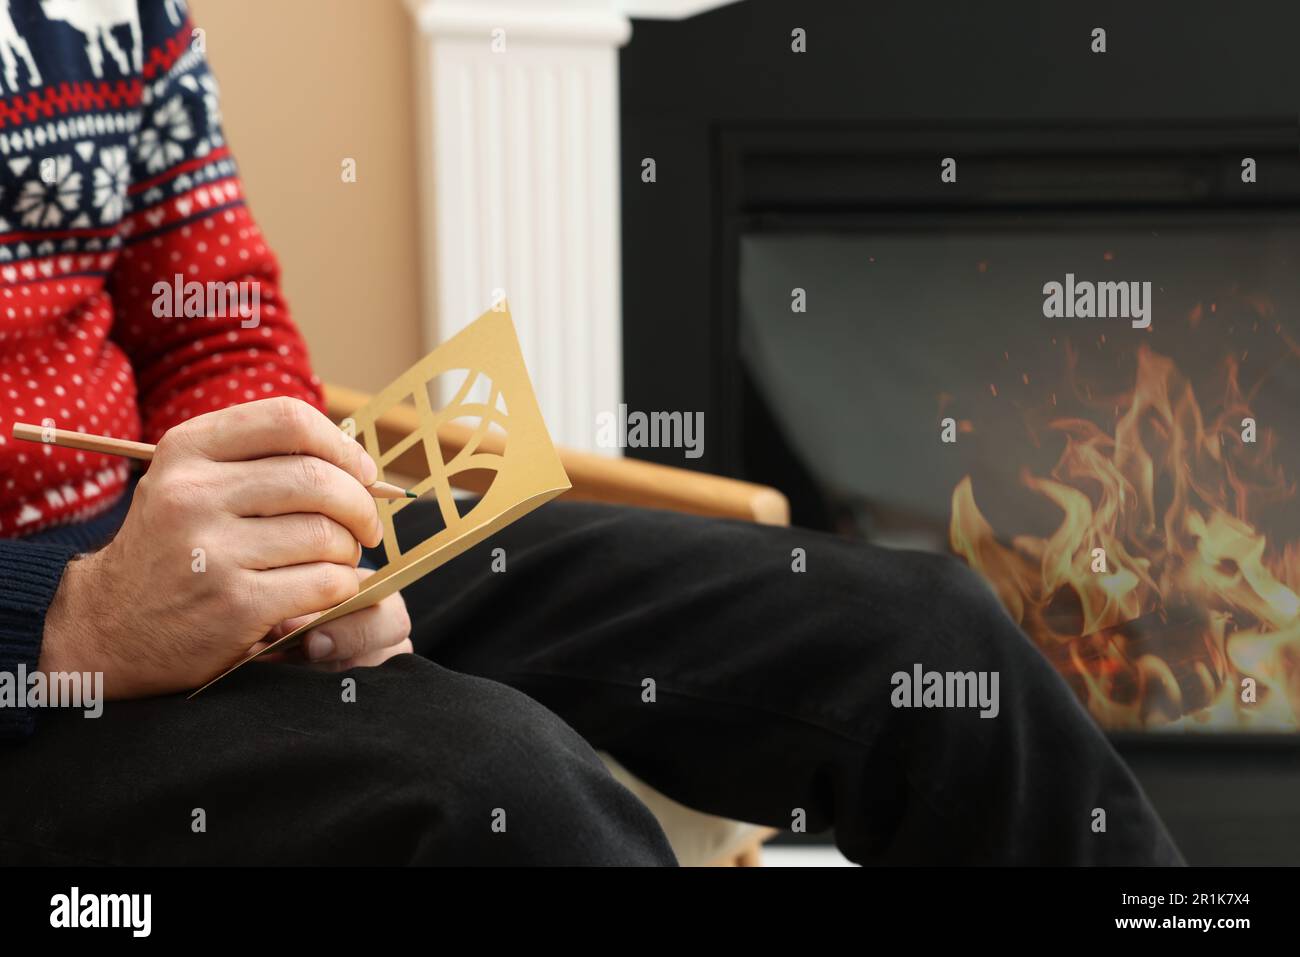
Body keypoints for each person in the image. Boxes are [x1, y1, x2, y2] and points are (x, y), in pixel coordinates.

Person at [0, 0, 1182, 865]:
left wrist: (282, 527)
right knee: (506, 793)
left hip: (172, 555)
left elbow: (207, 325)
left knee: (930, 640)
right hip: (45, 664)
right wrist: (76, 616)